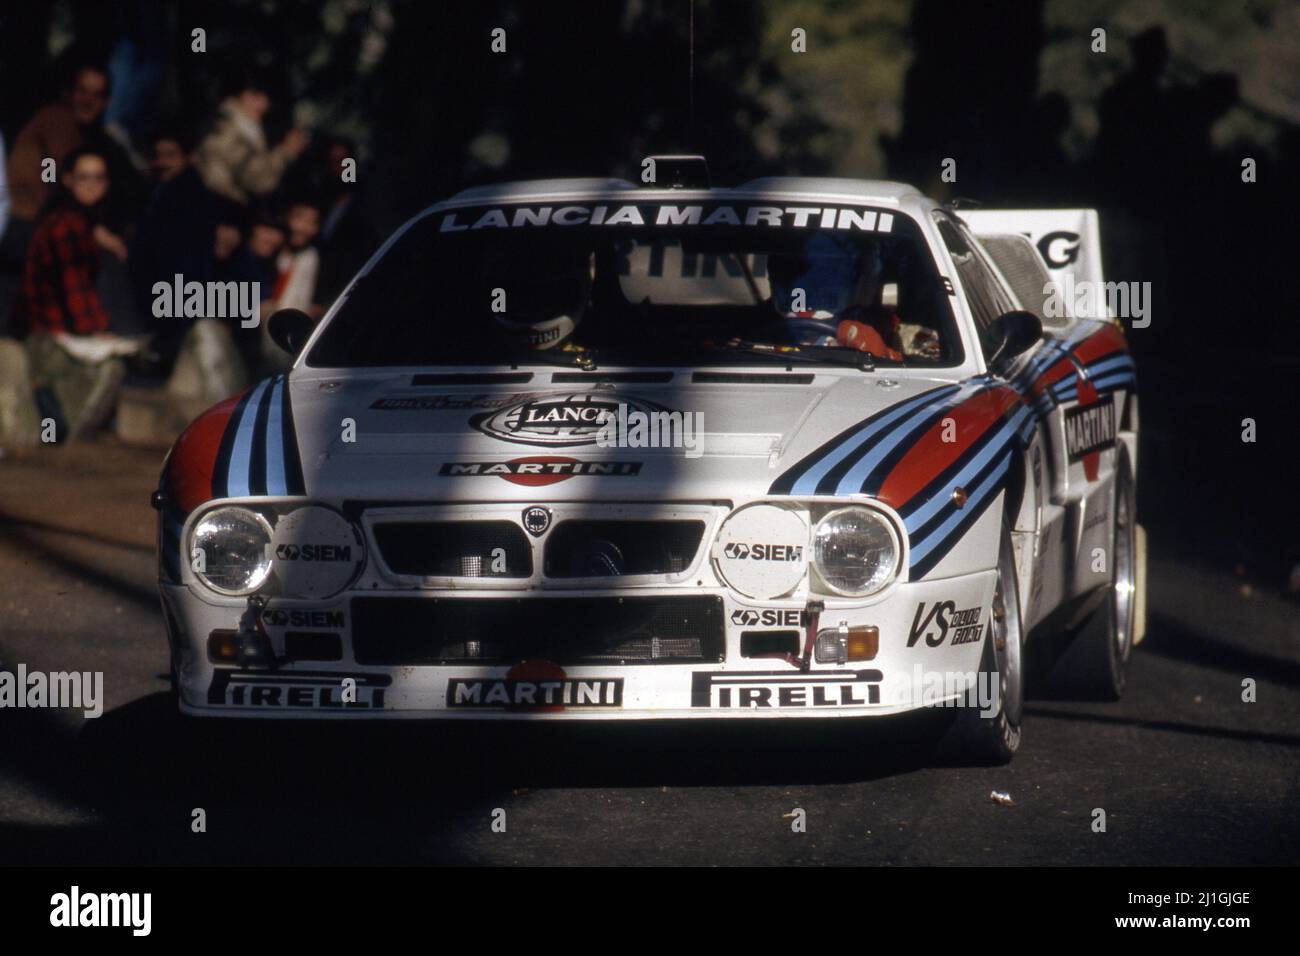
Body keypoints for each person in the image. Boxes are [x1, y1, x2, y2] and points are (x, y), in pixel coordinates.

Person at [16, 147, 138, 440]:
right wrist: (96, 330)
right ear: (68, 180)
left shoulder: (78, 221)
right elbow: (74, 284)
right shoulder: (67, 225)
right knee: (113, 367)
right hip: (50, 336)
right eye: (83, 177)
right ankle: (77, 437)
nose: (91, 185)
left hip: (58, 332)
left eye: (98, 178)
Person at [766, 233, 941, 361]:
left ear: (863, 282)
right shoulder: (745, 329)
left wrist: (886, 356)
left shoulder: (908, 338)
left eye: (828, 275)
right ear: (774, 278)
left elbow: (941, 383)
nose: (807, 286)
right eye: (794, 271)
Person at [194, 72, 309, 205]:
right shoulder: (228, 131)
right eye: (257, 96)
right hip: (221, 208)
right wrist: (287, 152)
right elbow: (260, 182)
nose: (265, 105)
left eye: (266, 98)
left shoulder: (238, 126)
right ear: (243, 95)